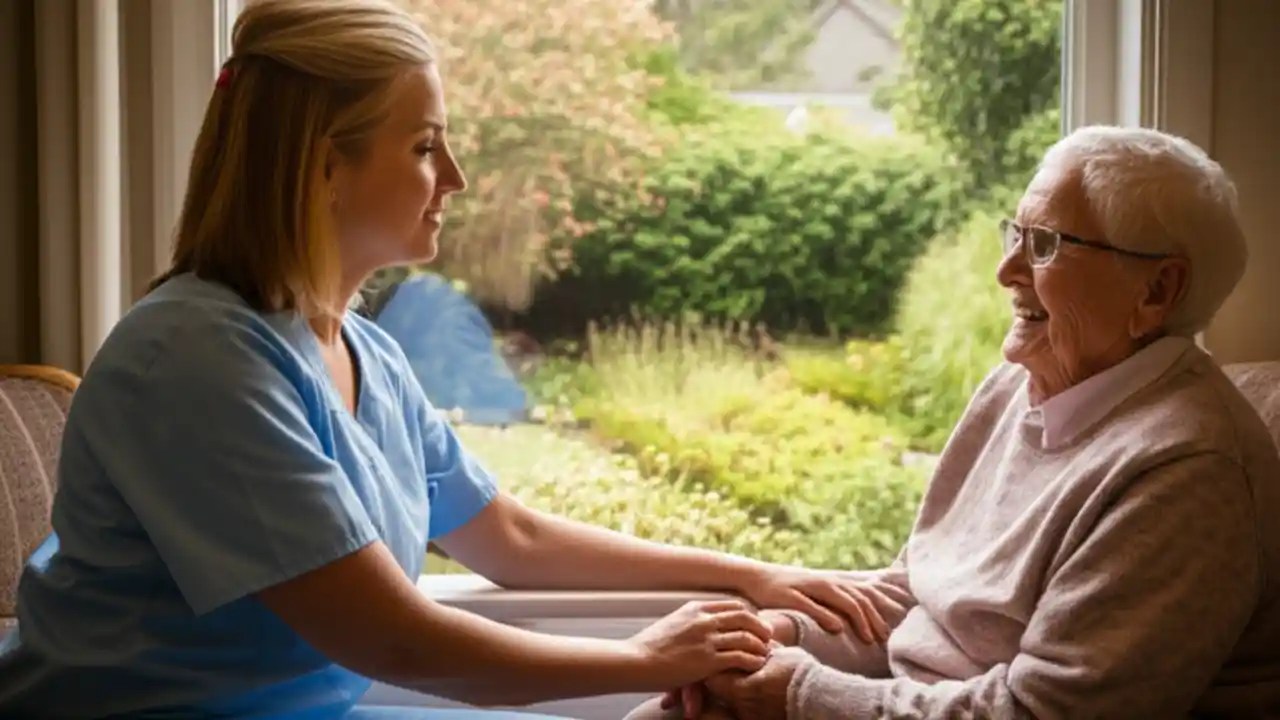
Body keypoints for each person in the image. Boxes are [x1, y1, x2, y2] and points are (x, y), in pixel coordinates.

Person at [0, 1, 897, 717]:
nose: (457, 178)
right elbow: (395, 640)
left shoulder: (365, 353)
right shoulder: (195, 362)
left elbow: (510, 539)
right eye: (426, 147)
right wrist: (644, 658)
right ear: (323, 169)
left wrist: (746, 573)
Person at [629, 127, 1280, 719]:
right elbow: (923, 594)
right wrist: (774, 637)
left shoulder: (1189, 472)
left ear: (1157, 291)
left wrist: (801, 692)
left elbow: (1043, 713)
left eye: (1046, 245)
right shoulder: (1018, 386)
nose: (1007, 271)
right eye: (1015, 234)